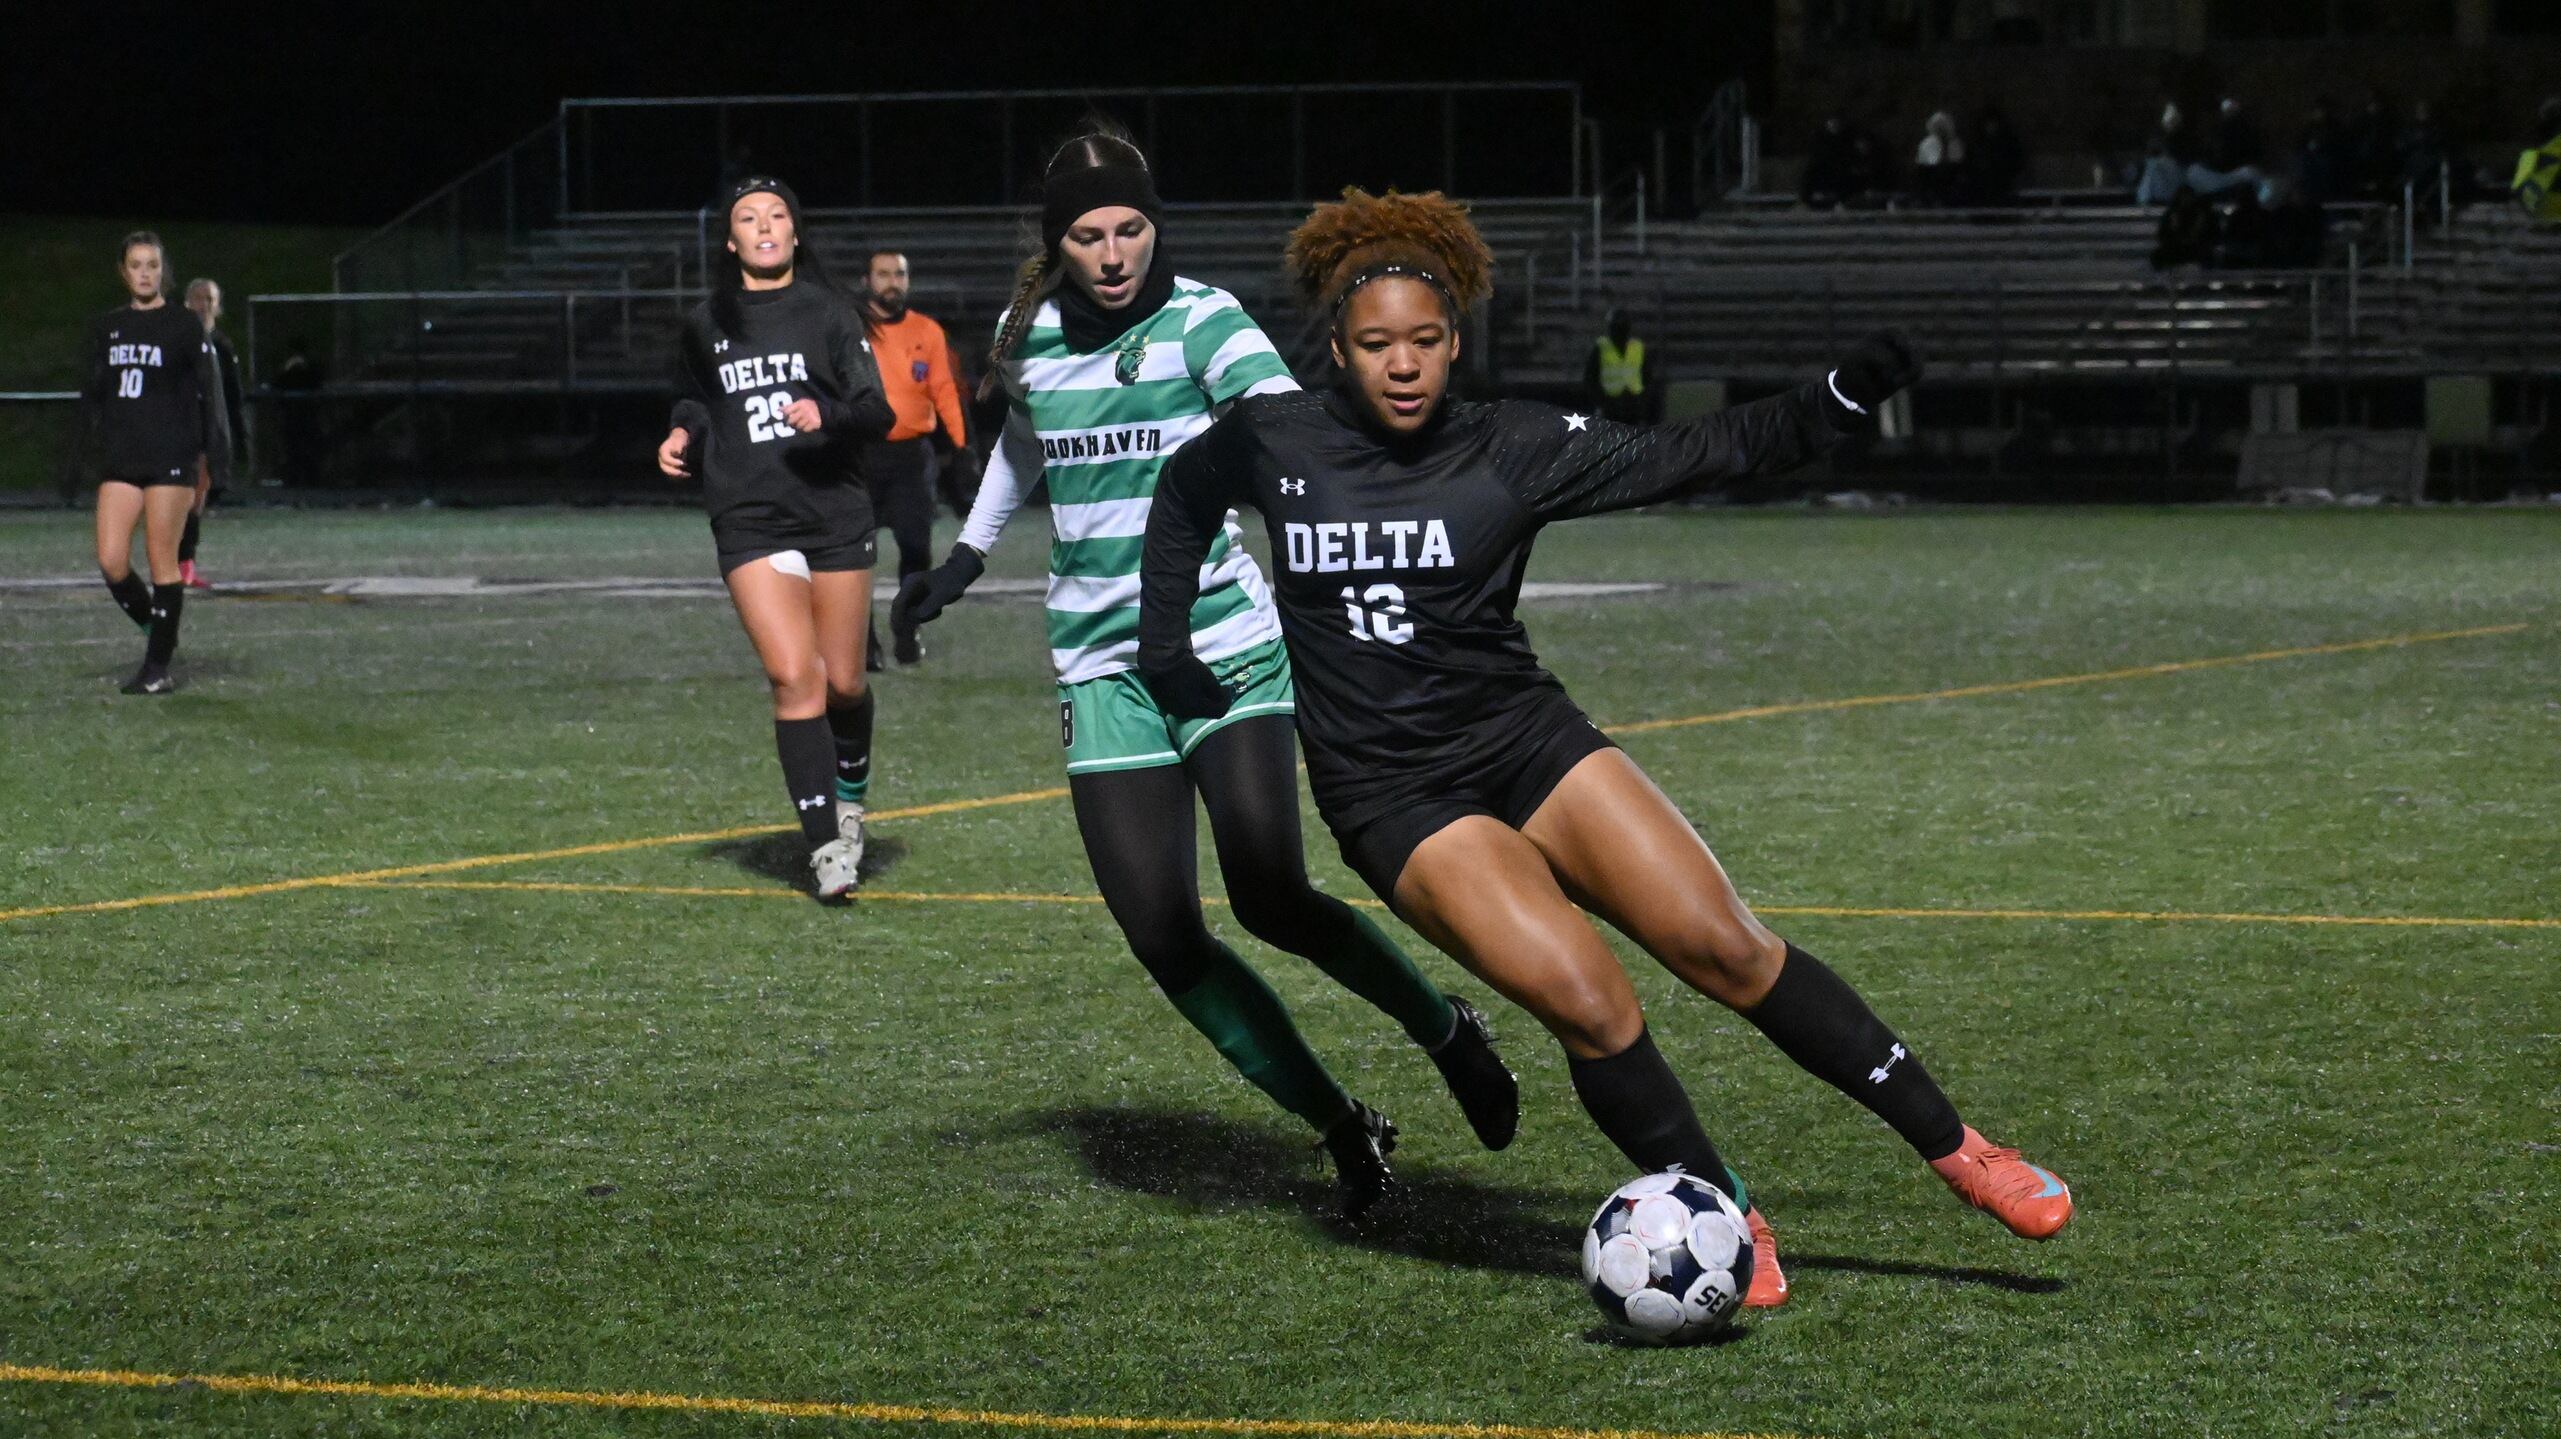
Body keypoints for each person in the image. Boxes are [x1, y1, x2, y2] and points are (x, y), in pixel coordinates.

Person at [1137, 188, 2077, 1308]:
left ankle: (1957, 1147)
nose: (1403, 365)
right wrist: (1164, 647)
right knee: (1591, 1001)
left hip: (1524, 739)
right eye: (1376, 343)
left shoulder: (1516, 445)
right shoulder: (1273, 440)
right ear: (1334, 347)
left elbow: (1697, 450)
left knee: (1725, 945)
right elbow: (1181, 494)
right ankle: (1723, 1208)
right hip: (1394, 793)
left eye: (1425, 342)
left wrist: (1833, 398)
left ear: (1454, 341)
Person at [891, 124, 1516, 1218]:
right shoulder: (1027, 330)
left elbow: (1286, 437)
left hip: (1223, 642)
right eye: (1088, 234)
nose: (1113, 250)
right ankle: (1340, 1122)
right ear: (1057, 242)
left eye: (1131, 226)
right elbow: (1025, 443)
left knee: (1269, 889)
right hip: (1100, 663)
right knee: (1164, 935)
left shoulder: (1205, 323)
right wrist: (967, 554)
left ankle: (1443, 1026)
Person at [657, 176, 894, 901]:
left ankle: (849, 795)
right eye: (747, 218)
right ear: (730, 241)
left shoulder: (828, 313)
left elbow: (874, 410)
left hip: (831, 512)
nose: (763, 226)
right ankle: (826, 847)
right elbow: (700, 398)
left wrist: (825, 413)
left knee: (845, 683)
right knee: (796, 677)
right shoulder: (705, 321)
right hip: (748, 514)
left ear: (794, 232)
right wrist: (682, 431)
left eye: (776, 215)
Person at [64, 231, 231, 695]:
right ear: (124, 271)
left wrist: (216, 455)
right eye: (136, 265)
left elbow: (208, 395)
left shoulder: (182, 325)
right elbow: (92, 396)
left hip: (171, 457)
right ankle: (159, 633)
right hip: (123, 458)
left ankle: (157, 669)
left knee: (163, 561)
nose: (144, 273)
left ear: (163, 271)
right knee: (112, 560)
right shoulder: (107, 327)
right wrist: (75, 457)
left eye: (152, 265)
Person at [860, 249, 978, 668]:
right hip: (860, 456)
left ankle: (906, 627)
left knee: (916, 548)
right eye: (884, 274)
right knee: (855, 556)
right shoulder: (853, 331)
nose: (892, 281)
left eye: (900, 274)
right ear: (867, 280)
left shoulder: (926, 330)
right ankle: (863, 643)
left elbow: (945, 392)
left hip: (912, 457)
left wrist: (962, 450)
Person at [180, 278, 246, 589]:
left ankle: (185, 564)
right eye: (197, 298)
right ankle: (168, 559)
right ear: (187, 303)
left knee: (198, 494)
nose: (203, 304)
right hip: (178, 426)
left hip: (208, 428)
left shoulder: (222, 345)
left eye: (209, 299)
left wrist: (238, 436)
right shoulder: (177, 340)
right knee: (174, 495)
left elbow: (232, 396)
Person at [1582, 309, 1662, 426]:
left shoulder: (1637, 348)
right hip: (1610, 409)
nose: (1619, 332)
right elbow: (1590, 379)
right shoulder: (1601, 348)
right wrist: (1602, 402)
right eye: (1616, 327)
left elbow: (1648, 378)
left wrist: (1643, 402)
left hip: (1634, 408)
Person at [1913, 110, 1966, 206]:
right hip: (1931, 181)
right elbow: (1925, 168)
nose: (1942, 129)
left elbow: (1958, 164)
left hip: (1952, 182)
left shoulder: (1956, 144)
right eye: (1938, 126)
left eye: (1944, 125)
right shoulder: (1926, 144)